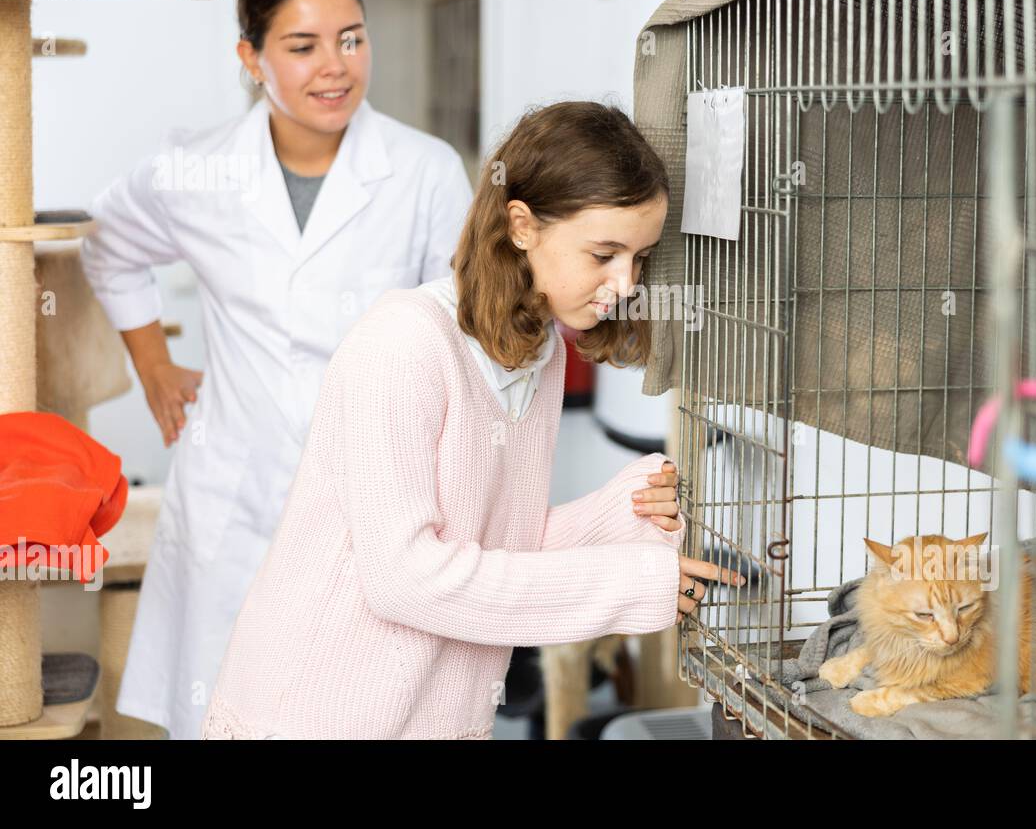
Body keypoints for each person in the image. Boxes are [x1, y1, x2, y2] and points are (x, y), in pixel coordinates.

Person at [199, 101, 744, 739]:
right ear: (521, 225)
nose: (626, 282)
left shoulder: (537, 353)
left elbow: (489, 540)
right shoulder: (403, 343)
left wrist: (617, 511)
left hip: (434, 716)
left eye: (640, 258)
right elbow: (406, 579)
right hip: (313, 716)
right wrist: (622, 581)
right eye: (604, 254)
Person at [80, 0, 474, 739]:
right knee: (223, 705)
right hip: (236, 489)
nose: (336, 68)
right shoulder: (193, 171)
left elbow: (459, 338)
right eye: (303, 47)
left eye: (353, 39)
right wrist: (153, 367)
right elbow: (106, 246)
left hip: (371, 493)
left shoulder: (425, 172)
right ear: (251, 57)